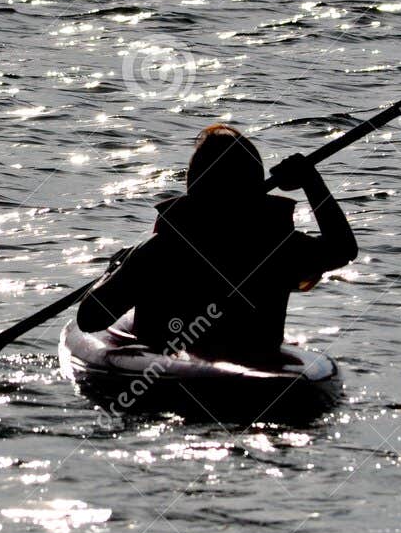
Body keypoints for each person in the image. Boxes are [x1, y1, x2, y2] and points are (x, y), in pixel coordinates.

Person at [75, 124, 356, 367]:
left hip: (163, 381)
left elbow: (90, 318)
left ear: (193, 188)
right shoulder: (280, 247)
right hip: (251, 367)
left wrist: (115, 270)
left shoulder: (160, 250)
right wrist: (312, 182)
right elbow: (343, 248)